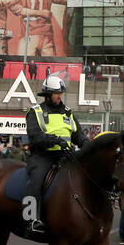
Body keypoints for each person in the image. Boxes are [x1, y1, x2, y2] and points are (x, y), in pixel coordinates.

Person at [24, 74, 87, 234]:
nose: (59, 96)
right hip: (43, 156)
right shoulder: (35, 112)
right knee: (35, 182)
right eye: (56, 93)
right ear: (47, 95)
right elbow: (34, 136)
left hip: (65, 156)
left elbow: (77, 134)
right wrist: (54, 140)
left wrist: (85, 143)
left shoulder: (67, 112)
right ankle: (30, 220)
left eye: (61, 93)